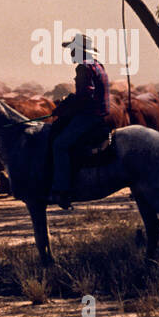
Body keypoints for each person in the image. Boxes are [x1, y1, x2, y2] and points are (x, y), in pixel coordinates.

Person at [49, 33, 112, 209]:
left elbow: (85, 97)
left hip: (89, 115)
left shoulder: (83, 68)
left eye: (72, 49)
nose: (70, 53)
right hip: (98, 114)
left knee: (59, 145)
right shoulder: (98, 65)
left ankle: (62, 190)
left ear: (81, 51)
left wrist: (64, 108)